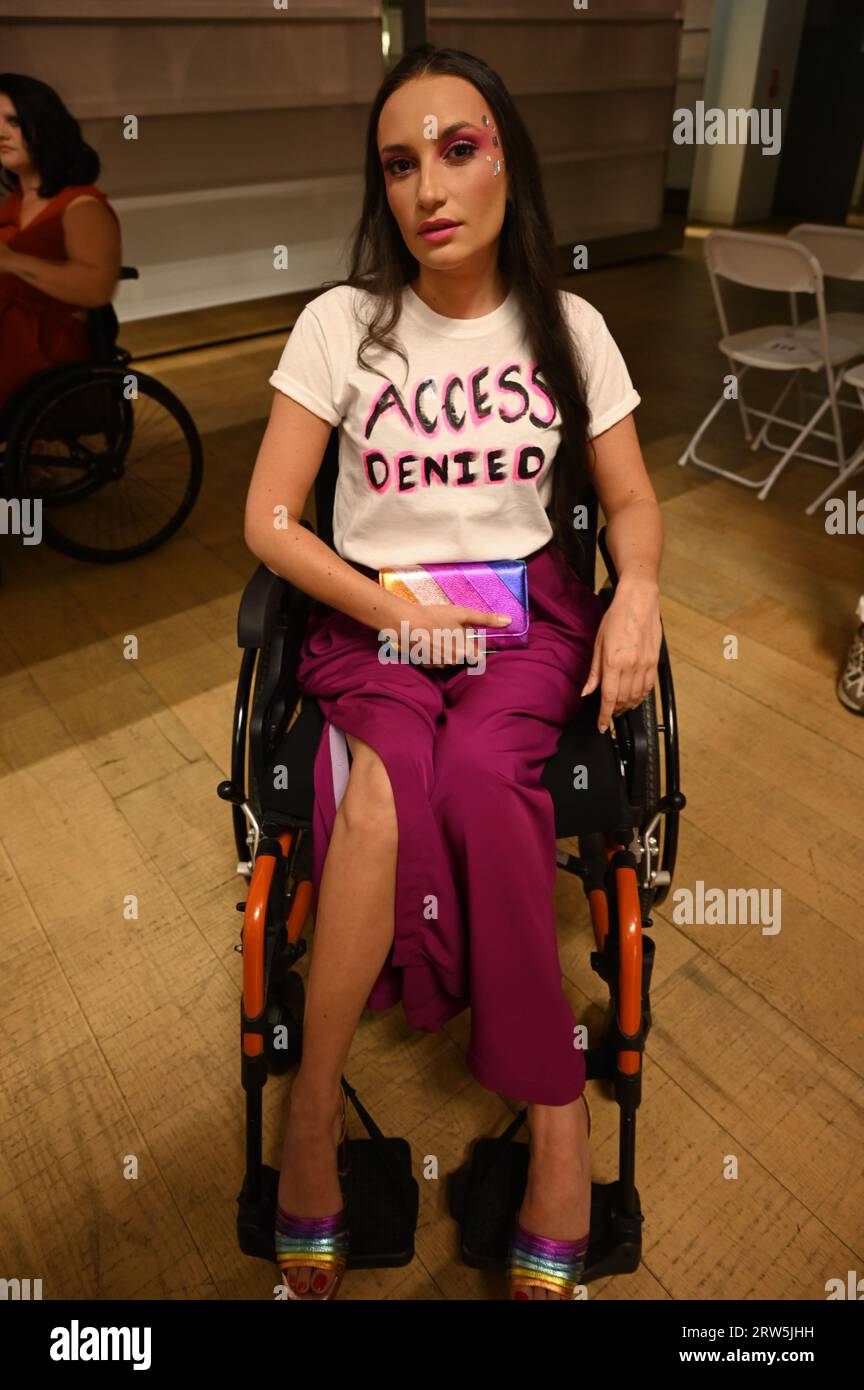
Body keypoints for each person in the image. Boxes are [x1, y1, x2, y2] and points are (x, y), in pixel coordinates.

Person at [244, 43, 664, 1301]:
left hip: (520, 610)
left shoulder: (568, 323)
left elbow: (632, 495)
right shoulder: (341, 324)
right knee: (383, 786)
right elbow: (270, 519)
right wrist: (392, 614)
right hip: (374, 617)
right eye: (399, 162)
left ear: (506, 164)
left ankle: (555, 1125)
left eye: (459, 148)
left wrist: (635, 585)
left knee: (484, 776)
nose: (428, 184)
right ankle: (312, 1111)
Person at [0, 74, 121, 418]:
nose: (1, 134)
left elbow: (97, 288)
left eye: (13, 121)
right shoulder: (18, 199)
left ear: (43, 127)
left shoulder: (80, 206)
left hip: (43, 347)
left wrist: (12, 262)